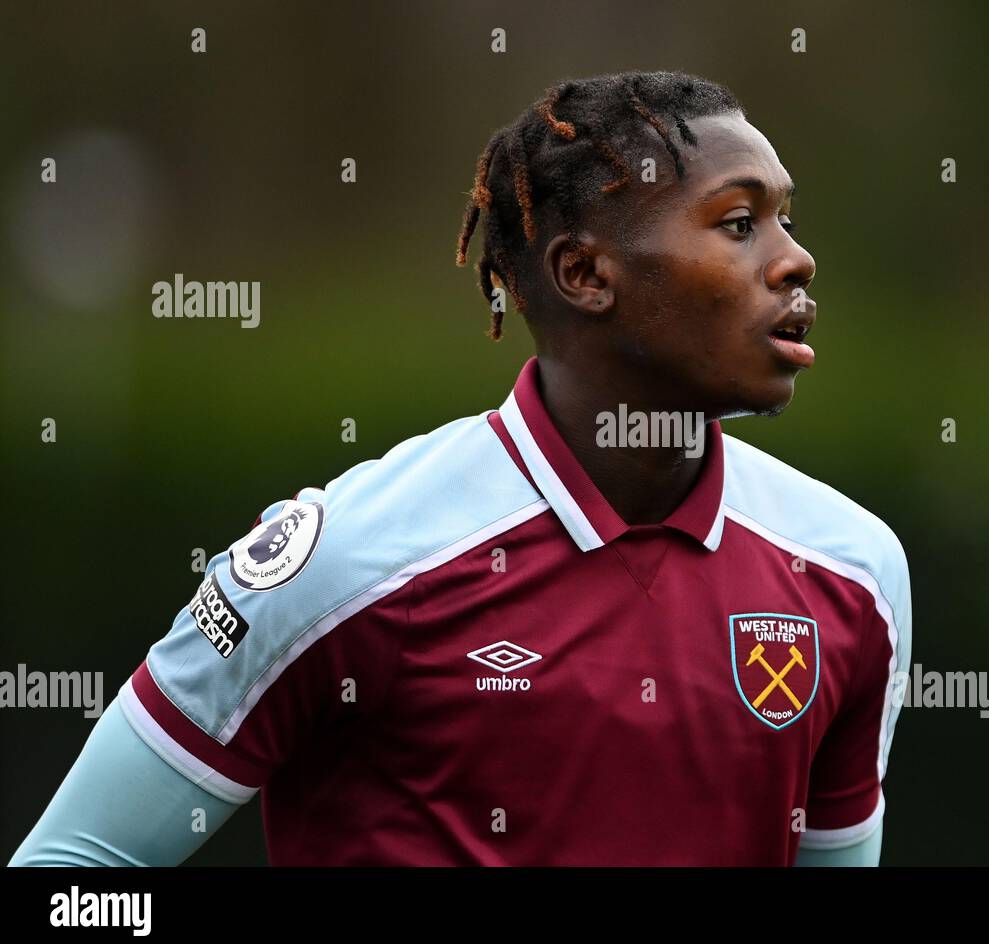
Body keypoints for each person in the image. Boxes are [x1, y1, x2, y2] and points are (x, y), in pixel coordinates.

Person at [10, 70, 911, 867]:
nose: (795, 259)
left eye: (786, 219)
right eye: (742, 223)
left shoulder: (849, 571)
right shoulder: (348, 562)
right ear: (585, 274)